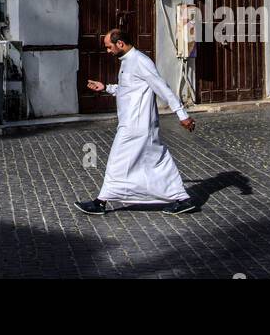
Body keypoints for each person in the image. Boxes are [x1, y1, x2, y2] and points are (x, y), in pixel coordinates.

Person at [75, 27, 197, 215]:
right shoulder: (127, 61)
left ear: (120, 44)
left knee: (117, 161)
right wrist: (106, 87)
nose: (108, 51)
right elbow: (128, 89)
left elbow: (162, 88)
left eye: (109, 47)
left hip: (136, 127)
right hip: (134, 124)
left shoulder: (140, 61)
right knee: (159, 161)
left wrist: (183, 115)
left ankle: (100, 202)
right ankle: (183, 198)